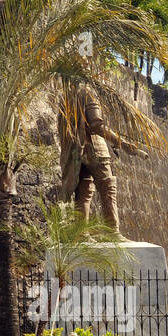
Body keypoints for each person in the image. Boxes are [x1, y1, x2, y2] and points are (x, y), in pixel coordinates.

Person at [58, 89, 145, 235]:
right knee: (108, 189)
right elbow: (96, 125)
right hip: (95, 148)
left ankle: (81, 234)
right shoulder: (88, 92)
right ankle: (113, 233)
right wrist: (124, 144)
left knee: (83, 192)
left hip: (76, 151)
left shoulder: (67, 93)